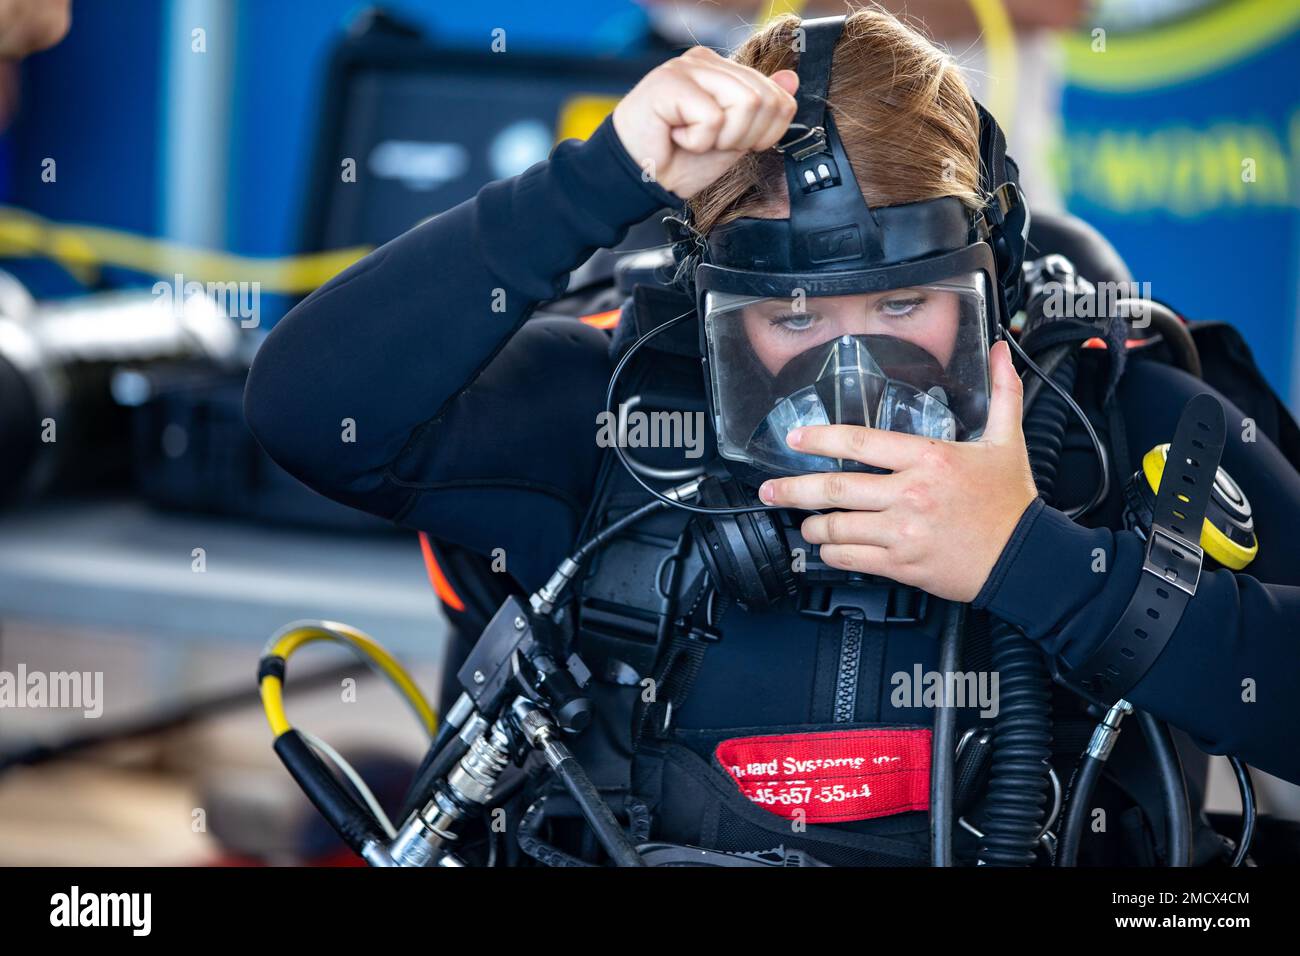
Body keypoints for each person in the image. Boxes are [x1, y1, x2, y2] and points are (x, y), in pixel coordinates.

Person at [245, 9, 1300, 867]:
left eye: (904, 309)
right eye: (791, 319)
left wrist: (1034, 560)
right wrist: (600, 177)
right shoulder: (611, 423)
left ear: (996, 278)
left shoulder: (1125, 428)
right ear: (707, 307)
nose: (854, 373)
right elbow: (306, 409)